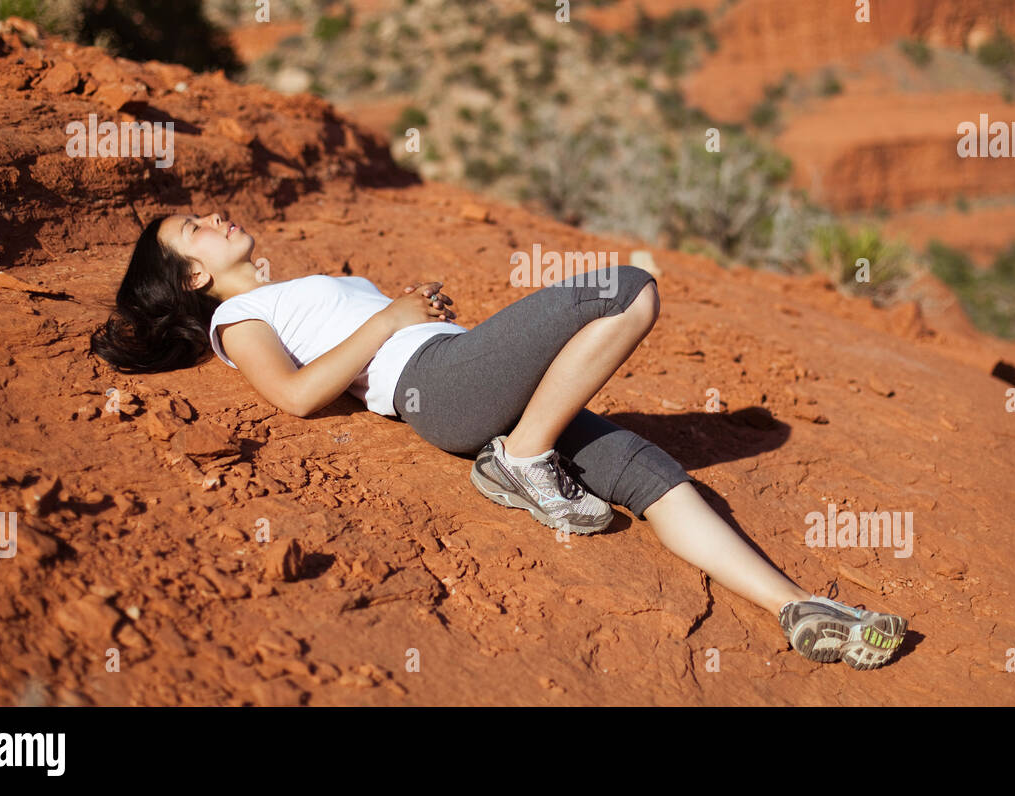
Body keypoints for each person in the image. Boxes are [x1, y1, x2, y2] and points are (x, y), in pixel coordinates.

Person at [90, 211, 910, 669]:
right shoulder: (237, 318)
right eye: (195, 227)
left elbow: (358, 339)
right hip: (436, 390)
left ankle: (798, 609)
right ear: (194, 278)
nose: (215, 217)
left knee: (652, 474)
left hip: (460, 372)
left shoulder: (284, 289)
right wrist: (391, 319)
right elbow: (300, 395)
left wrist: (406, 314)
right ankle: (521, 460)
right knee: (623, 287)